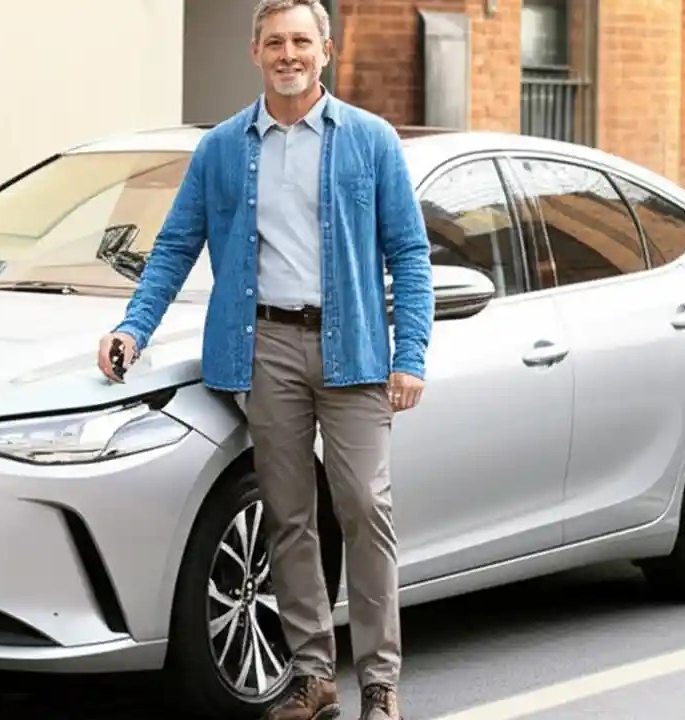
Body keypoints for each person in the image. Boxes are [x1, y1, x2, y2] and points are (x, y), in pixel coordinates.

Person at [96, 1, 433, 718]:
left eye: (301, 41)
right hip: (263, 347)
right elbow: (175, 247)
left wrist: (412, 354)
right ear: (255, 53)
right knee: (287, 515)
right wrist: (134, 328)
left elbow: (408, 252)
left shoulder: (370, 141)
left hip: (356, 353)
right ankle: (313, 679)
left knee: (366, 507)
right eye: (275, 42)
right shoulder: (221, 148)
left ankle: (379, 683)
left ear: (326, 51)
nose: (289, 54)